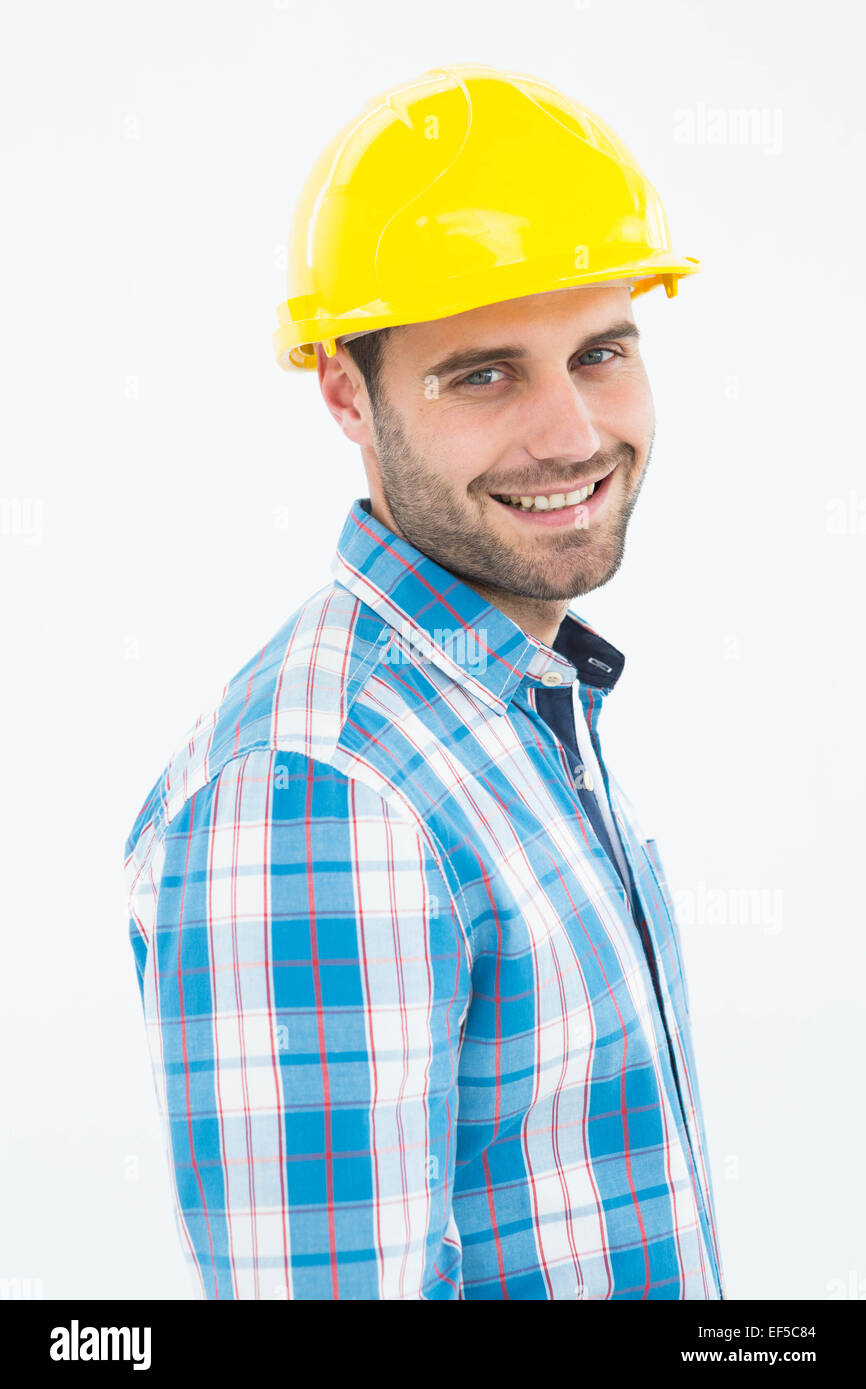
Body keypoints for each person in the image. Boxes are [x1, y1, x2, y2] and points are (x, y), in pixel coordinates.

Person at [124, 62, 725, 1300]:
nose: (570, 433)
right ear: (346, 389)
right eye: (483, 373)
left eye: (599, 351)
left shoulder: (511, 705)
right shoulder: (320, 790)